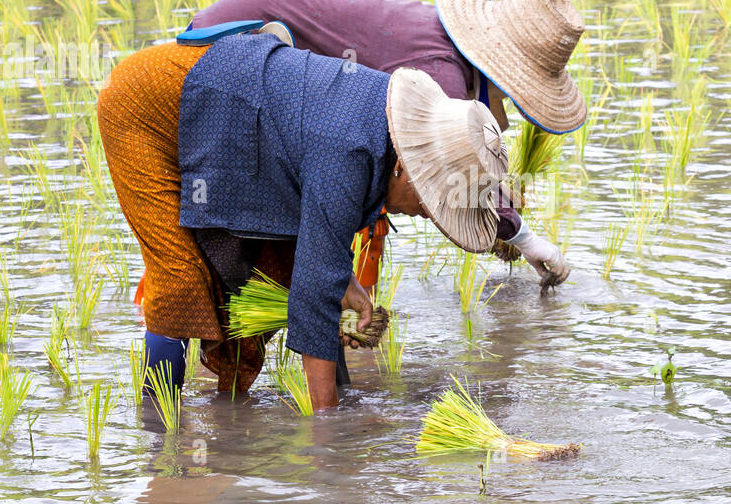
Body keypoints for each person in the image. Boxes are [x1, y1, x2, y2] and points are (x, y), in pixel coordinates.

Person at [97, 29, 508, 407]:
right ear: (404, 166)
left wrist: (345, 283)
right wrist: (327, 432)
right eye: (427, 201)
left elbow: (319, 250)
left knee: (275, 271)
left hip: (224, 113)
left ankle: (216, 421)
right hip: (143, 109)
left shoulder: (376, 128)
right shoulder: (349, 151)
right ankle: (157, 422)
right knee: (181, 278)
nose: (422, 212)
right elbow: (313, 298)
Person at [189, 0, 585, 290]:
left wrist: (496, 196)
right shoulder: (440, 72)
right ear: (502, 72)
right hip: (230, 46)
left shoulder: (438, 35)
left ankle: (350, 328)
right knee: (228, 226)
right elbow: (441, 173)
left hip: (236, 34)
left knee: (364, 193)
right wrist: (524, 237)